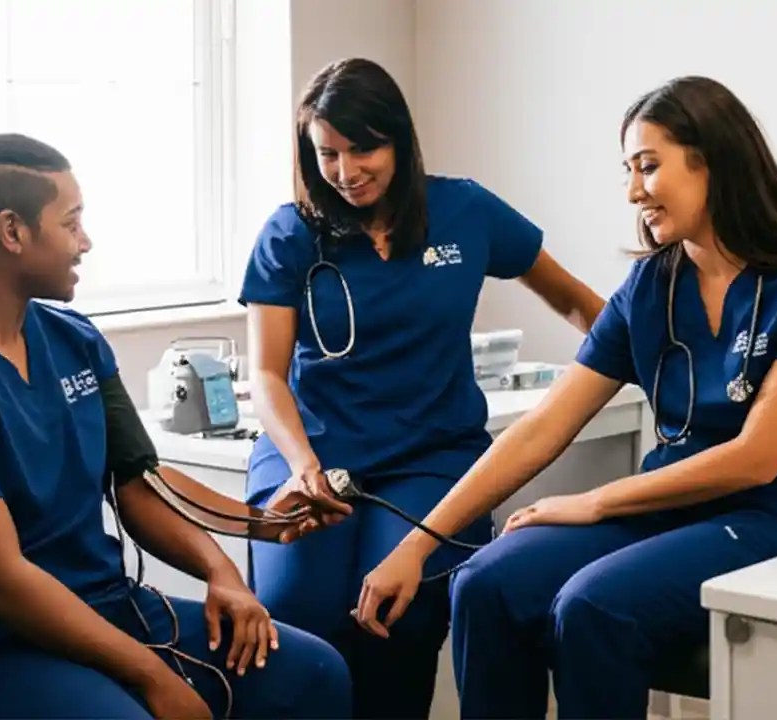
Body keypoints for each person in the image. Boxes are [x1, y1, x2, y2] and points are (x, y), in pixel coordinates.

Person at [348, 75, 777, 719]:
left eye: (649, 166)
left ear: (713, 160)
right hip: (671, 508)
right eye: (629, 170)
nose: (634, 191)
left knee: (591, 606)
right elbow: (543, 427)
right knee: (484, 583)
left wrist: (592, 502)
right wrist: (417, 545)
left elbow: (758, 458)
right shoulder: (652, 285)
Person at [0, 133, 351, 719]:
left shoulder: (73, 340)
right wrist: (152, 677)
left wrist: (236, 553)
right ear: (12, 232)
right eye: (71, 223)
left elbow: (140, 484)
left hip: (105, 609)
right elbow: (1, 581)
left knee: (313, 674)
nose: (85, 242)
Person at [237, 57, 606, 719]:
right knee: (297, 615)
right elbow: (266, 373)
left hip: (431, 454)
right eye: (327, 153)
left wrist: (655, 364)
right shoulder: (291, 234)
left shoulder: (465, 210)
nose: (346, 172)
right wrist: (302, 466)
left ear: (400, 141)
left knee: (398, 618)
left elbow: (579, 303)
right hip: (314, 454)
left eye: (363, 149)